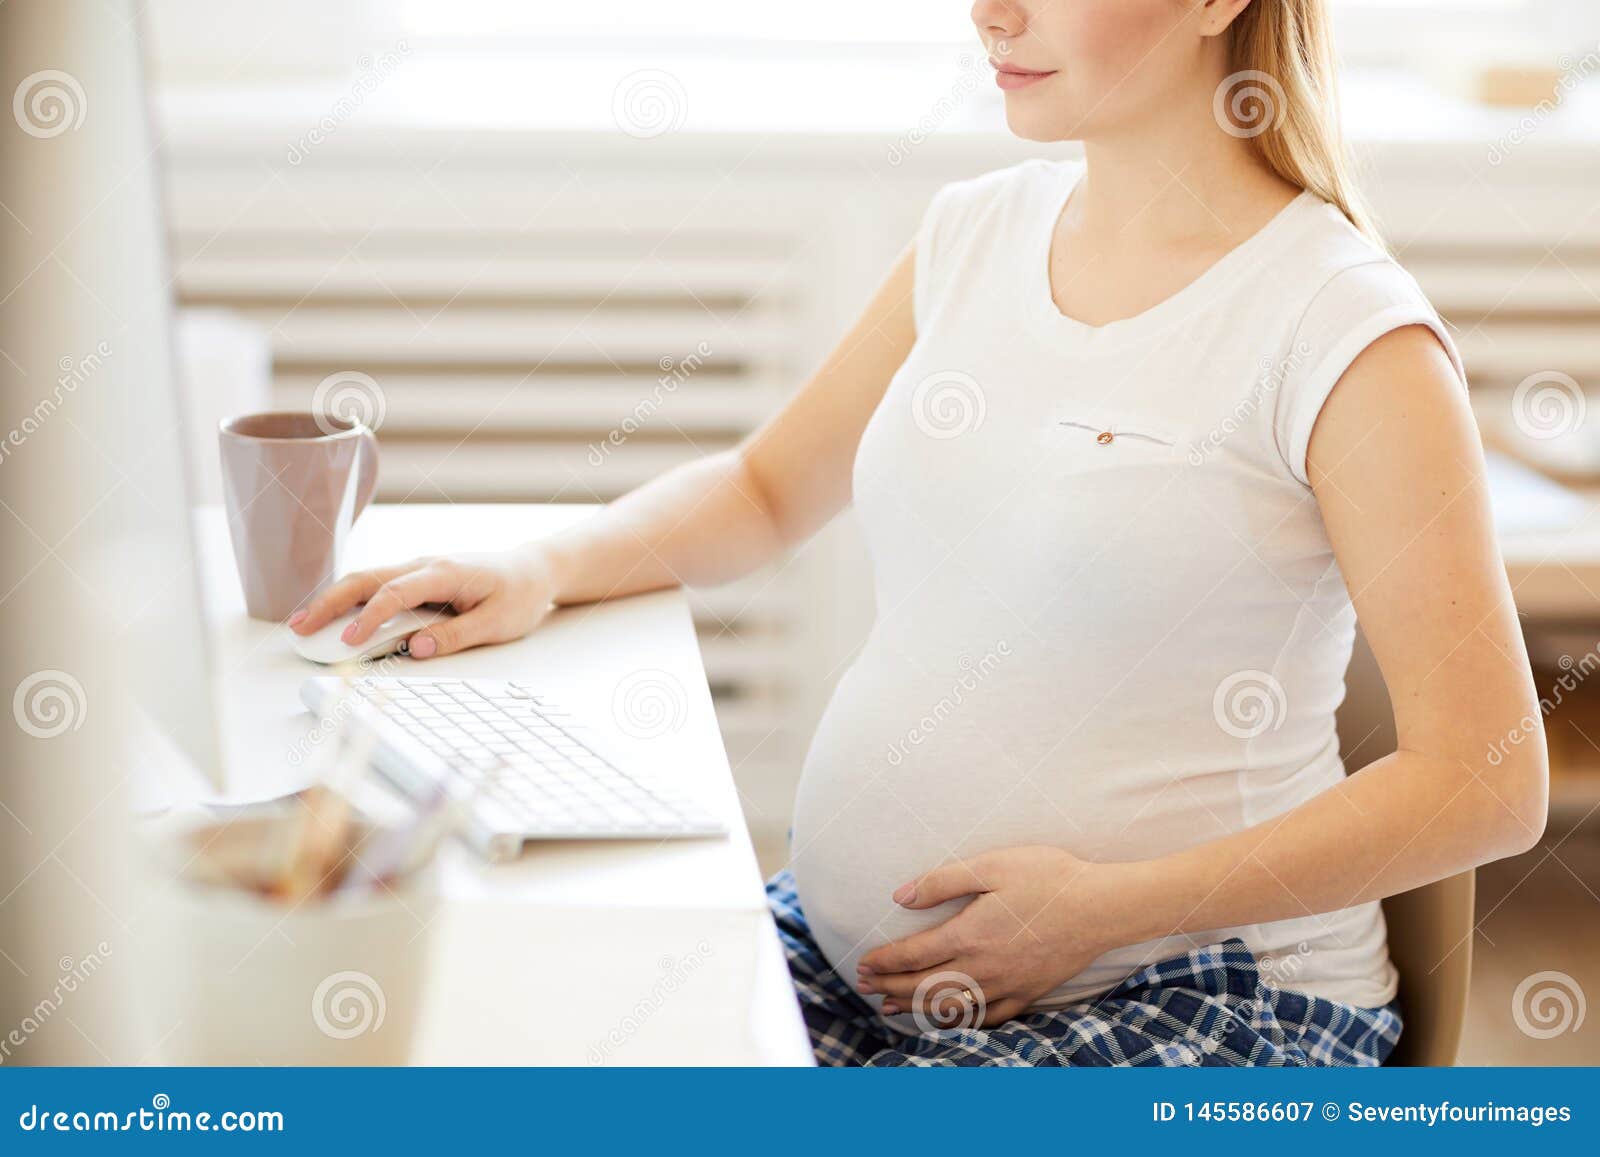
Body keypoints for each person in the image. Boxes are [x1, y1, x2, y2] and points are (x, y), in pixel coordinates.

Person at [292, 0, 1547, 1066]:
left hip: (1198, 998)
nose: (988, 8)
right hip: (873, 969)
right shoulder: (976, 232)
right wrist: (540, 566)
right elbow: (766, 488)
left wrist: (1097, 912)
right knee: (504, 1041)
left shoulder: (1344, 331)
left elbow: (1487, 779)